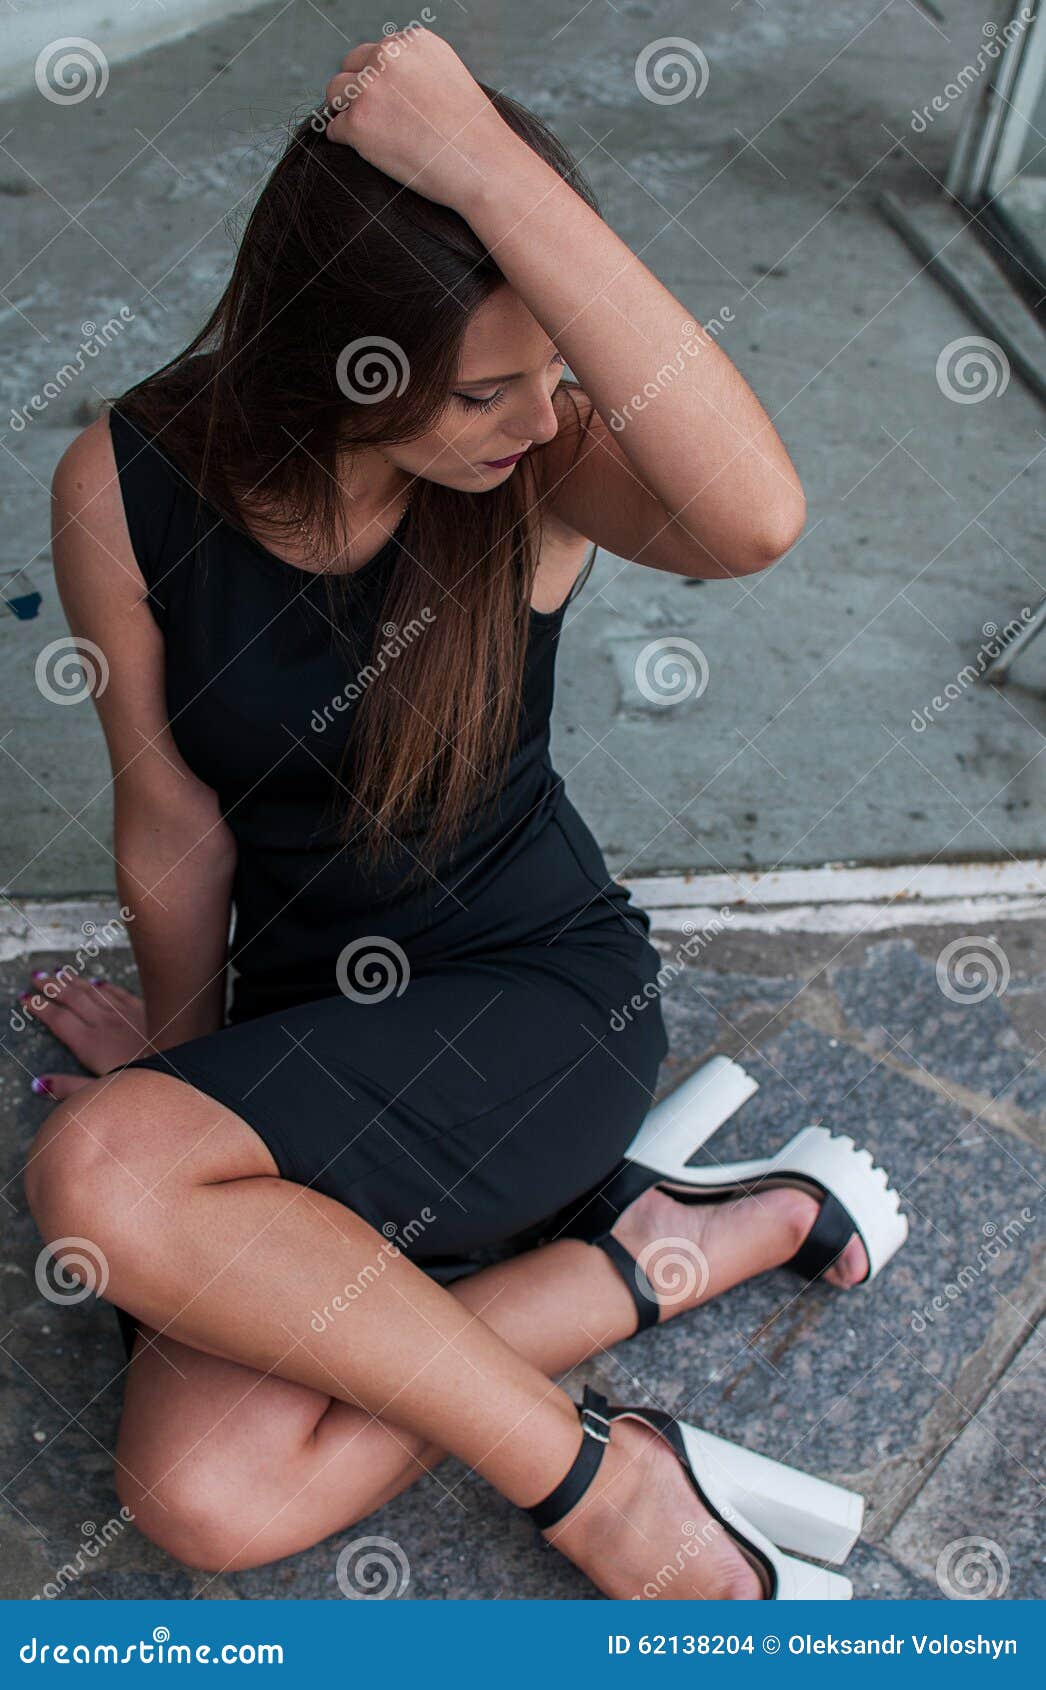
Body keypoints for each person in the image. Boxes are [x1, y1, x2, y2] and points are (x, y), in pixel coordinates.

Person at [22, 29, 870, 1599]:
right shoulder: (122, 483)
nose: (539, 419)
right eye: (486, 385)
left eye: (555, 370)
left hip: (533, 1001)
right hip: (308, 1022)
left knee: (99, 1184)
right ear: (326, 357)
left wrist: (480, 157)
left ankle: (612, 1495)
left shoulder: (535, 481)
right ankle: (660, 1248)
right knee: (202, 1489)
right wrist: (190, 1065)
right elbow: (172, 819)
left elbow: (753, 516)